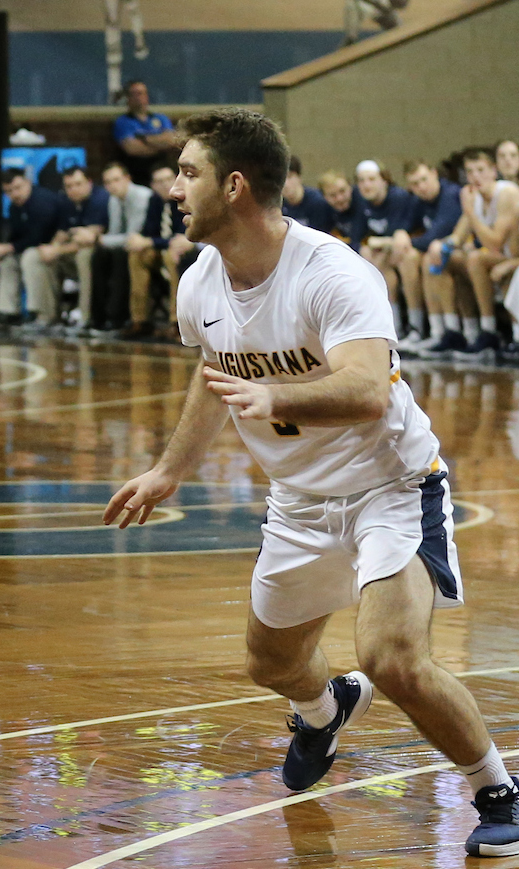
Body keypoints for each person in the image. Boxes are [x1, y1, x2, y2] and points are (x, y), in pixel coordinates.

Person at [104, 107, 519, 860]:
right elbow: (212, 378)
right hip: (298, 500)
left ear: (234, 186)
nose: (173, 188)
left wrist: (278, 396)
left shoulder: (332, 273)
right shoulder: (200, 281)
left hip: (389, 486)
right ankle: (326, 711)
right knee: (270, 662)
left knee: (392, 654)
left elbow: (365, 388)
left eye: (188, 173)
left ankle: (494, 787)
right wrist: (169, 469)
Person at [422, 147, 518, 355]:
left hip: (513, 259)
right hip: (494, 260)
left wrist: (470, 212)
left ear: (494, 171)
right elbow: (457, 236)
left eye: (481, 170)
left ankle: (490, 330)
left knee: (475, 258)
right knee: (442, 258)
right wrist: (441, 246)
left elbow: (495, 243)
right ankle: (455, 331)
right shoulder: (474, 196)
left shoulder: (506, 193)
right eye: (470, 171)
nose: (475, 176)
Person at [0, 168, 71, 328]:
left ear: (28, 183)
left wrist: (9, 247)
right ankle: (8, 311)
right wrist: (2, 249)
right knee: (7, 260)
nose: (15, 194)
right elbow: (17, 236)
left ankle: (38, 312)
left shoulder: (41, 201)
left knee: (30, 257)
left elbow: (37, 237)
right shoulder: (14, 208)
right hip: (38, 248)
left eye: (18, 188)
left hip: (58, 247)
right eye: (9, 191)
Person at [123, 162, 193, 340]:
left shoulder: (186, 198)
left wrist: (148, 241)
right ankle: (140, 320)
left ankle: (176, 322)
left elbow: (181, 237)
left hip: (183, 250)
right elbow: (150, 232)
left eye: (168, 179)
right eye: (159, 181)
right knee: (137, 255)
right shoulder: (154, 201)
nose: (164, 184)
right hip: (160, 249)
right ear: (152, 186)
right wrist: (143, 241)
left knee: (173, 256)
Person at [397, 159, 461, 349]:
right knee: (408, 258)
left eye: (424, 179)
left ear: (434, 173)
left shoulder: (450, 194)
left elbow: (434, 236)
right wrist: (400, 233)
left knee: (430, 258)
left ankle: (450, 330)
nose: (421, 187)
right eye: (415, 184)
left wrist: (406, 240)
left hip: (462, 249)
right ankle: (419, 329)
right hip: (440, 251)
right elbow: (403, 225)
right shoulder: (419, 200)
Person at [90, 161, 153, 334]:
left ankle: (117, 318)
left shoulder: (141, 196)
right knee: (99, 255)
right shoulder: (114, 200)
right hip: (126, 244)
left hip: (145, 245)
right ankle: (98, 318)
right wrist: (101, 241)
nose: (112, 186)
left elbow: (132, 236)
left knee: (119, 255)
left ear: (127, 178)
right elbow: (116, 232)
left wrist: (97, 238)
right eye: (108, 182)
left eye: (116, 180)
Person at [352, 160, 417, 327]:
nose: (366, 185)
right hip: (383, 254)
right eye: (361, 180)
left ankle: (416, 325)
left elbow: (399, 235)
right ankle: (390, 325)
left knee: (403, 258)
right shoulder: (360, 201)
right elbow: (356, 238)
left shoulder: (398, 197)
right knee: (367, 256)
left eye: (372, 179)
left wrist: (376, 246)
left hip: (407, 250)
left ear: (384, 181)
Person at [56, 165, 110, 330]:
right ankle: (48, 317)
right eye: (69, 186)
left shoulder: (101, 199)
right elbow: (62, 233)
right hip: (74, 249)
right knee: (38, 257)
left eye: (78, 184)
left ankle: (85, 317)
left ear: (89, 183)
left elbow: (89, 238)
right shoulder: (65, 202)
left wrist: (57, 249)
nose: (73, 189)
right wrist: (53, 247)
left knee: (84, 255)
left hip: (103, 252)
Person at [113, 80, 177, 185]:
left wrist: (144, 139)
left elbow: (170, 140)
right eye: (135, 94)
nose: (139, 97)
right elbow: (132, 148)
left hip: (162, 170)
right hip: (137, 173)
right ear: (128, 98)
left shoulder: (160, 118)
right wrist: (159, 145)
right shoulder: (123, 121)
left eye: (142, 93)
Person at [281, 156, 335, 233]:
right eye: (281, 179)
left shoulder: (317, 202)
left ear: (299, 177)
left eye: (289, 177)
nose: (286, 184)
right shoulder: (279, 205)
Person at [319, 169, 364, 250]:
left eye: (342, 191)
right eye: (333, 195)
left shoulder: (362, 201)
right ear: (325, 197)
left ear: (350, 187)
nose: (340, 199)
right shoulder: (323, 209)